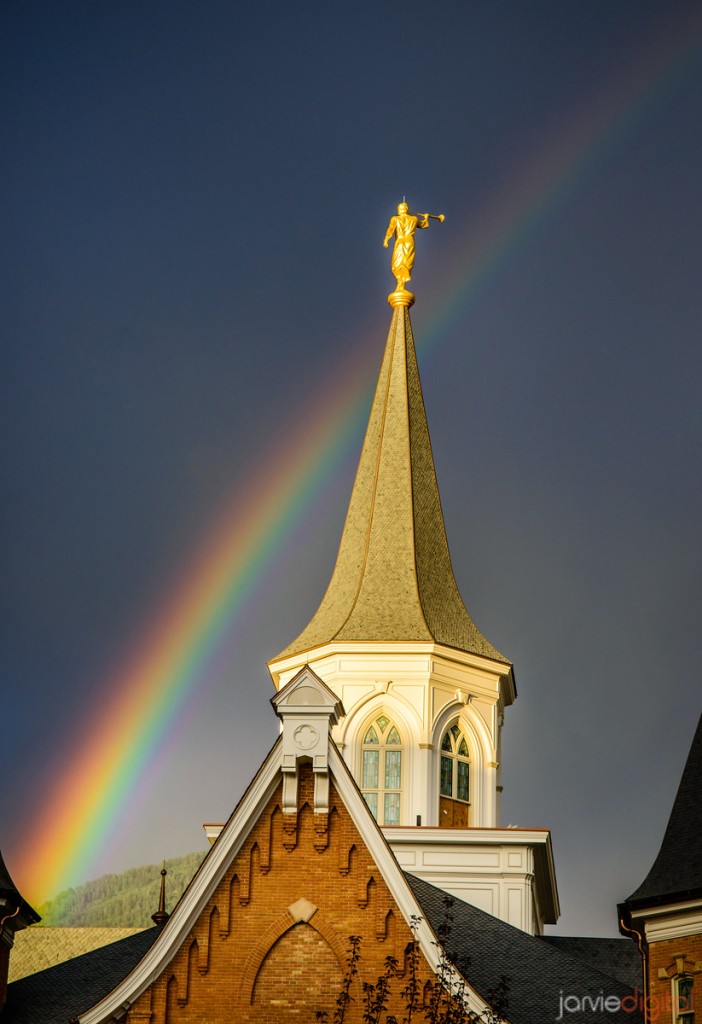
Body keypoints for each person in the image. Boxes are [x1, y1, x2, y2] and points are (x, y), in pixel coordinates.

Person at [383, 202, 429, 291]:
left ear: (399, 210)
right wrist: (426, 218)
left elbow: (390, 229)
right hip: (409, 242)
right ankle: (401, 284)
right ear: (407, 209)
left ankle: (400, 284)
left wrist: (386, 240)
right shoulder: (414, 219)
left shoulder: (395, 218)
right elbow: (423, 224)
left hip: (400, 242)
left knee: (397, 263)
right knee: (406, 263)